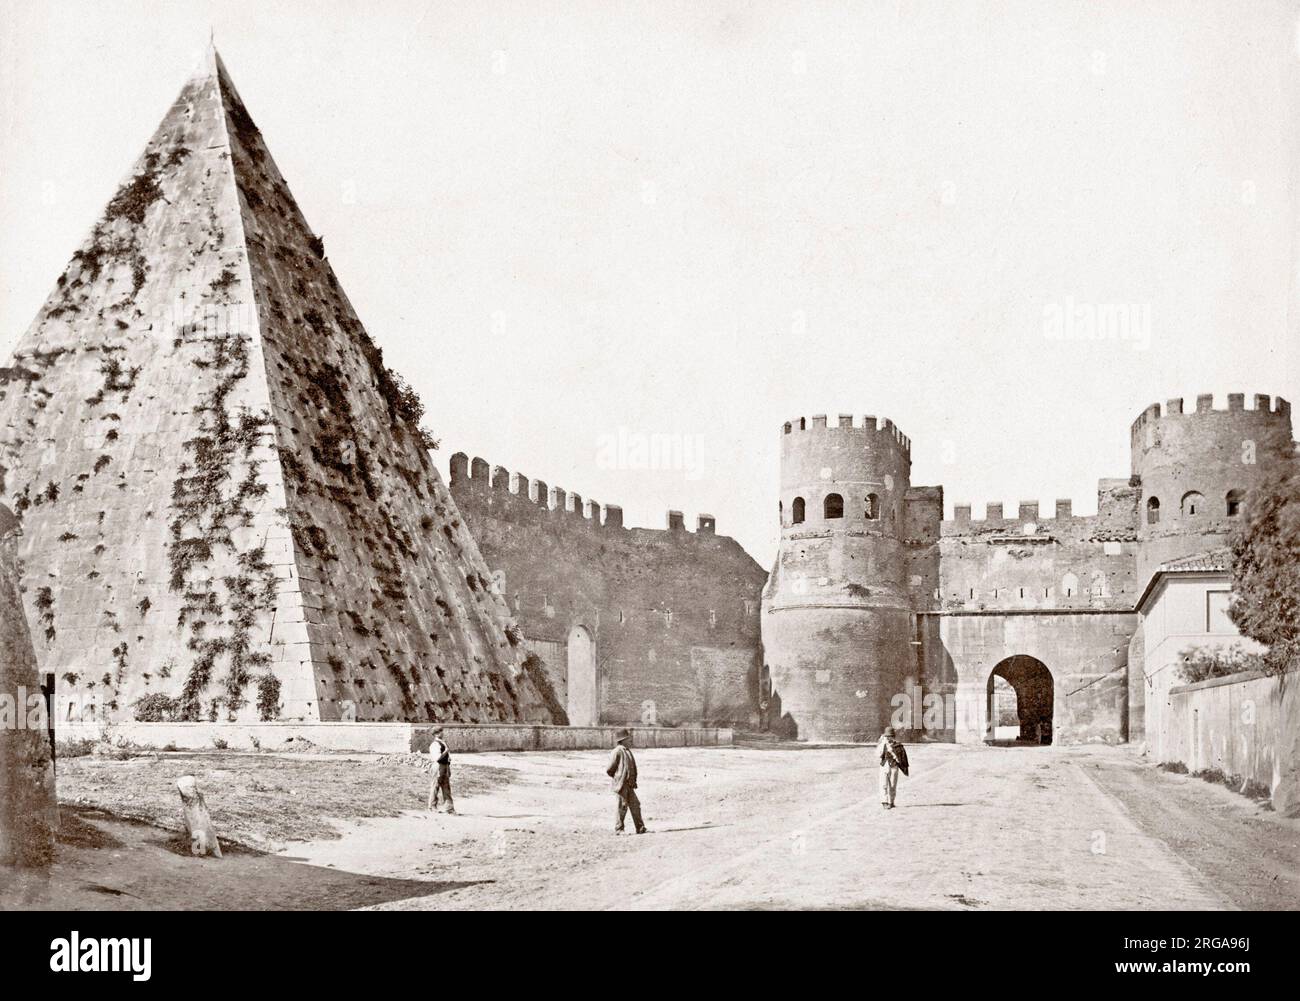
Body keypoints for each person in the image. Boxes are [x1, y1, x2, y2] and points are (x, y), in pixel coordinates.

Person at [605, 729, 647, 834]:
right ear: (623, 740)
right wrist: (618, 778)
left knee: (635, 805)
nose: (630, 740)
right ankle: (619, 829)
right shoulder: (617, 751)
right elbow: (609, 769)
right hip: (621, 784)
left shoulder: (627, 750)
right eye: (628, 738)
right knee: (622, 806)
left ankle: (640, 828)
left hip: (630, 784)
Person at [876, 726, 909, 809]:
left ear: (893, 736)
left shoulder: (898, 745)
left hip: (894, 767)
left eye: (889, 736)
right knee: (883, 784)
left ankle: (891, 802)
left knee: (893, 785)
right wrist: (881, 744)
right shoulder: (882, 745)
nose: (888, 738)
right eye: (886, 736)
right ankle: (884, 802)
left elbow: (902, 757)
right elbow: (878, 755)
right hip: (884, 766)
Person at [427, 727, 455, 814]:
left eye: (442, 732)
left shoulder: (442, 743)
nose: (442, 733)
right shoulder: (435, 745)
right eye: (440, 732)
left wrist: (448, 768)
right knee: (435, 786)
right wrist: (446, 752)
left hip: (445, 766)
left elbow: (447, 758)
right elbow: (437, 758)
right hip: (438, 766)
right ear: (436, 734)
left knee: (446, 787)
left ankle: (449, 808)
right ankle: (432, 806)